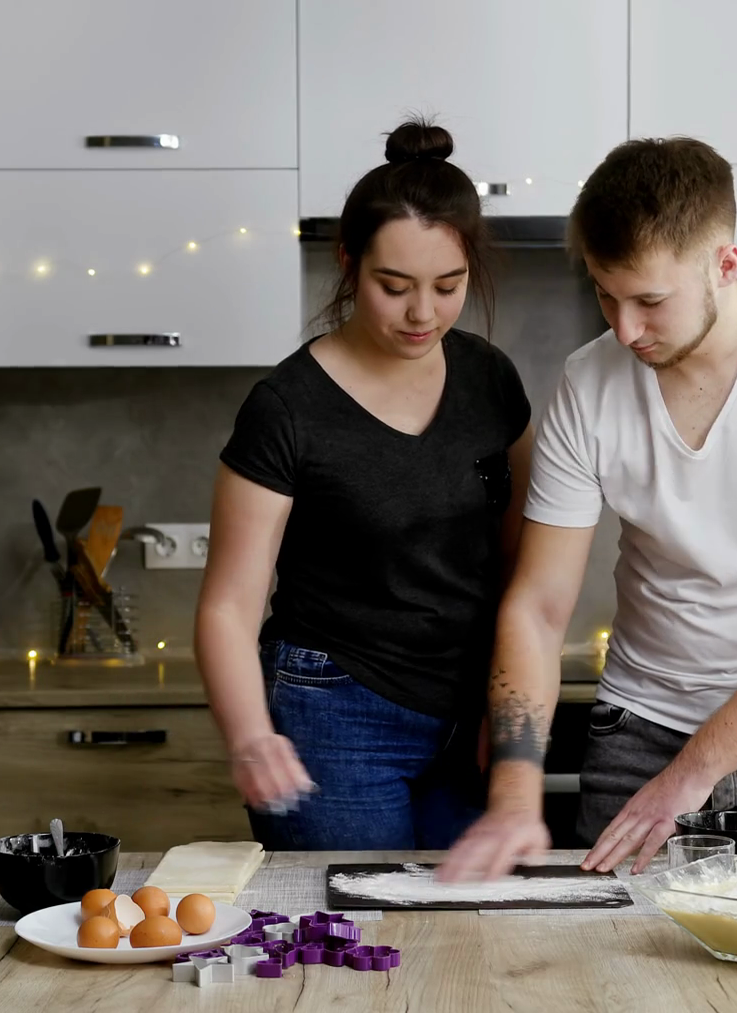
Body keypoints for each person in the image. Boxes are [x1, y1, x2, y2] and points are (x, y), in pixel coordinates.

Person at [441, 136, 737, 879]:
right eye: (604, 294)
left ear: (724, 264)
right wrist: (517, 793)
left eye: (650, 300)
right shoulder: (588, 385)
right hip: (638, 730)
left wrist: (691, 777)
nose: (624, 329)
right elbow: (538, 606)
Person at [195, 120, 534, 851]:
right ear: (349, 262)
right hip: (333, 714)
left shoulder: (489, 379)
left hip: (465, 709)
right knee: (360, 938)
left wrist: (503, 717)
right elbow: (229, 603)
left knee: (468, 941)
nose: (423, 313)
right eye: (394, 286)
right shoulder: (287, 408)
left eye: (448, 286)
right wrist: (251, 732)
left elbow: (520, 568)